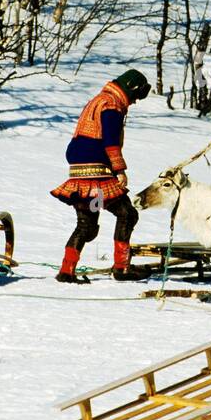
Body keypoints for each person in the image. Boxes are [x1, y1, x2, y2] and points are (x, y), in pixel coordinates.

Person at [50, 69, 150, 283]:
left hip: (79, 171)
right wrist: (120, 170)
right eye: (136, 96)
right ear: (131, 89)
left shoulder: (98, 100)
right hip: (98, 172)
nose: (134, 102)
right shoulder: (112, 104)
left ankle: (67, 271)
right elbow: (110, 141)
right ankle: (122, 268)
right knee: (127, 214)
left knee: (87, 226)